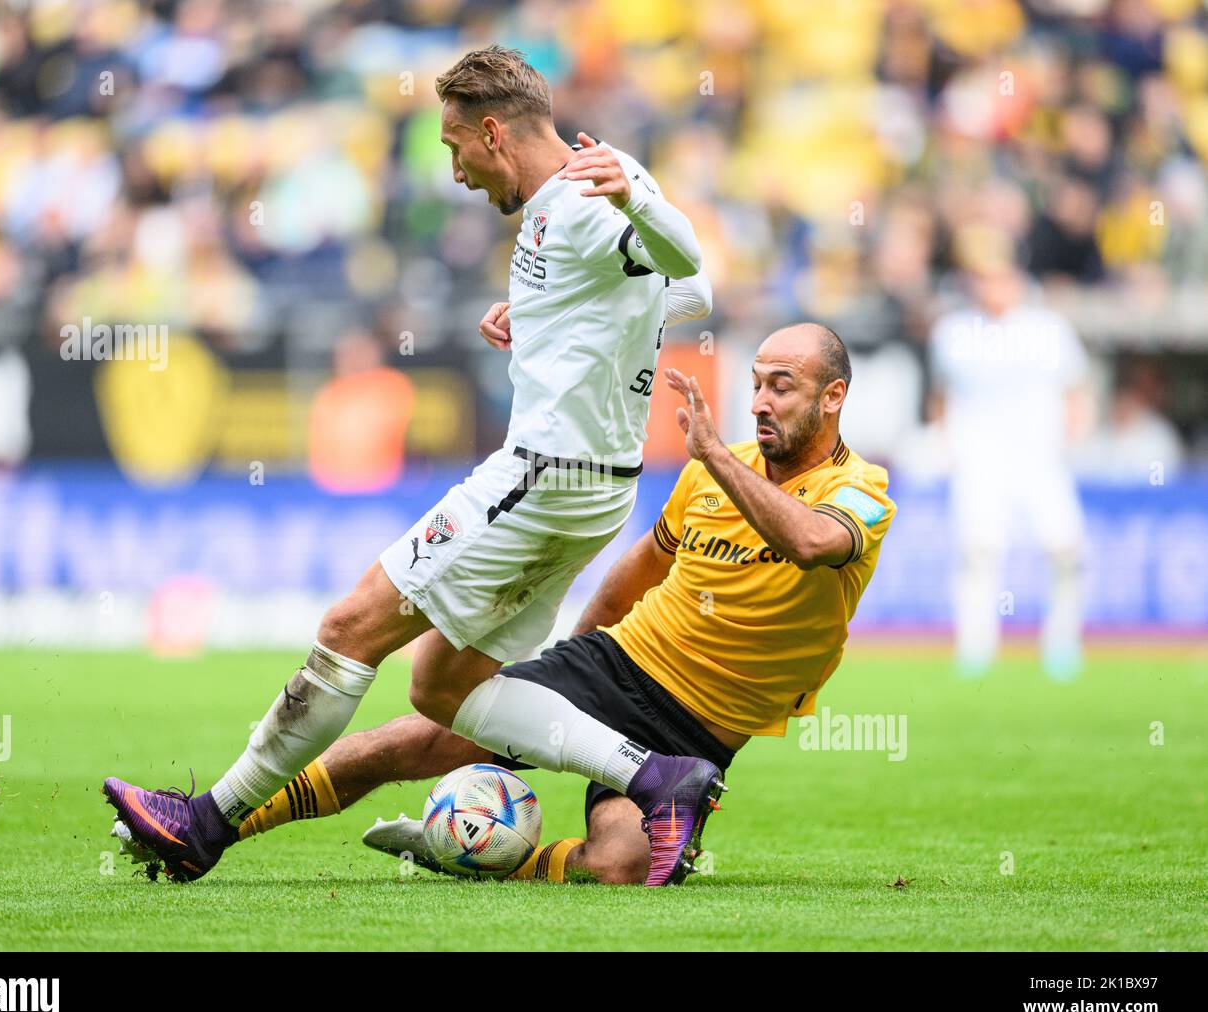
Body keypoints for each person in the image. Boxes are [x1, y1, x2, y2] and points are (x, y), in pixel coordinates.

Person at [103, 44, 717, 885]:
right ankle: (657, 777)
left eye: (454, 144)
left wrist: (640, 195)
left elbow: (688, 267)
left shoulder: (586, 197)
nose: (456, 169)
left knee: (350, 628)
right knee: (443, 684)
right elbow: (676, 295)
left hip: (542, 477)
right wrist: (546, 316)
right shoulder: (569, 199)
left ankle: (204, 822)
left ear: (494, 131)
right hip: (594, 489)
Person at [165, 323, 897, 884]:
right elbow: (635, 571)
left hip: (702, 733)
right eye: (758, 383)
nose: (762, 400)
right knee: (411, 740)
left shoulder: (859, 491)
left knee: (622, 868)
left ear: (833, 397)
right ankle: (211, 826)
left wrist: (716, 457)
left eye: (783, 386)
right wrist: (571, 670)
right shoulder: (711, 475)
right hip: (618, 668)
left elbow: (807, 542)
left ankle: (480, 850)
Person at [928, 227, 1089, 680]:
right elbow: (941, 397)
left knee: (1066, 550)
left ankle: (1062, 644)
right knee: (979, 552)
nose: (990, 286)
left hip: (1040, 459)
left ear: (1016, 277)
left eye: (998, 275)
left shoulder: (1048, 329)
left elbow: (1076, 389)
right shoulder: (954, 332)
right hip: (980, 462)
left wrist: (1071, 438)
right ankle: (975, 649)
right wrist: (948, 444)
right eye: (982, 276)